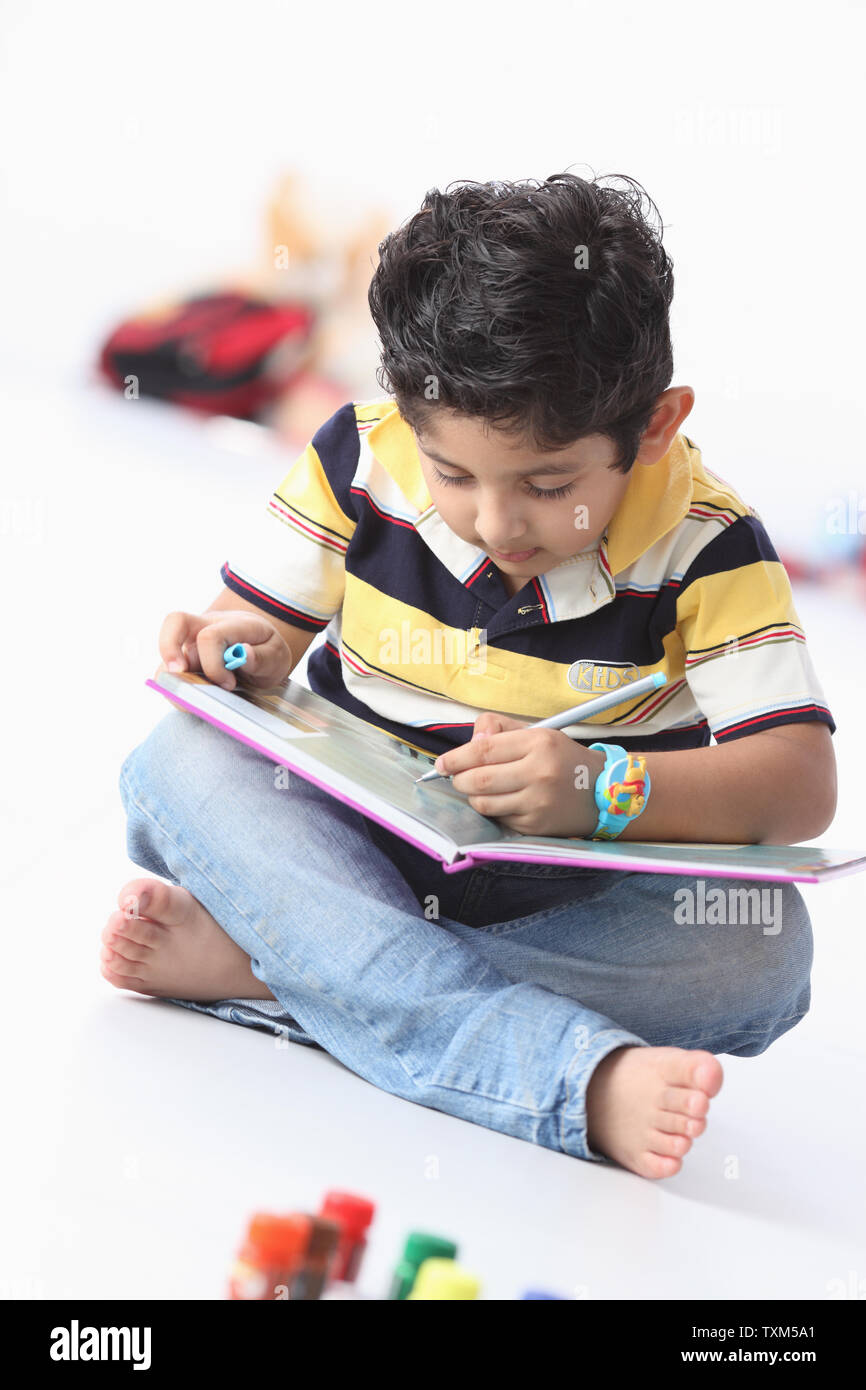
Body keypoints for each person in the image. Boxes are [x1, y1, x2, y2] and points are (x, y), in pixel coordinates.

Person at [102, 172, 837, 1179]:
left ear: (654, 427)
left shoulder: (709, 545)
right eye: (452, 475)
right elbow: (249, 630)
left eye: (548, 484)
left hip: (564, 898)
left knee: (760, 951)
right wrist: (237, 649)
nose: (496, 524)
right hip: (344, 849)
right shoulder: (361, 455)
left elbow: (797, 784)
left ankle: (284, 967)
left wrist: (599, 790)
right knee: (178, 759)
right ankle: (570, 1077)